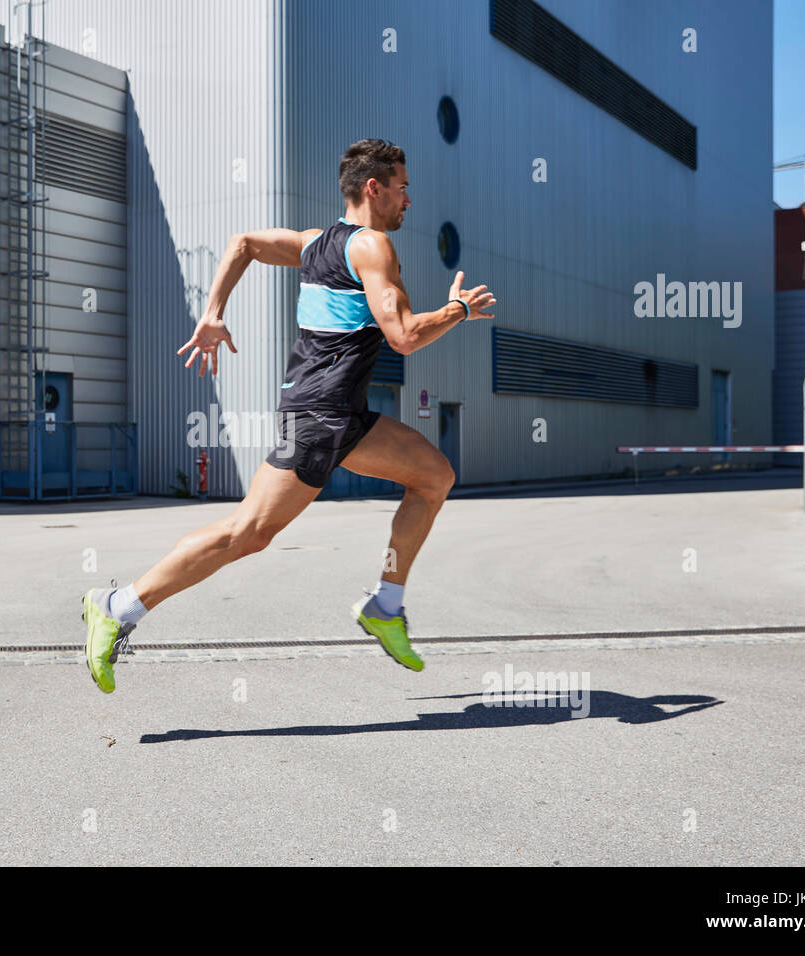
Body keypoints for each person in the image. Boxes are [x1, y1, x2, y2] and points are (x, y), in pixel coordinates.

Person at [81, 138, 495, 692]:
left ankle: (385, 604)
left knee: (433, 477)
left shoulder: (313, 243)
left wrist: (212, 313)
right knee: (246, 533)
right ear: (374, 188)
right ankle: (118, 606)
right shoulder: (372, 248)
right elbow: (403, 336)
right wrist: (458, 310)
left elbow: (244, 243)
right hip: (320, 415)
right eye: (403, 188)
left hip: (342, 414)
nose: (408, 201)